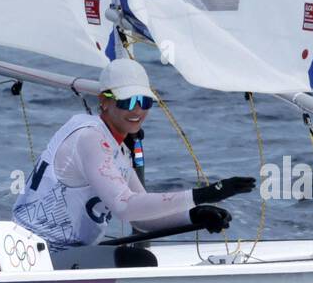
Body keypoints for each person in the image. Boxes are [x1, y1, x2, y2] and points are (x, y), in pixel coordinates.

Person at [13, 58, 255, 263]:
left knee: (137, 259)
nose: (137, 111)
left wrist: (194, 215)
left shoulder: (114, 147)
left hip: (60, 253)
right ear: (104, 101)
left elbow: (142, 220)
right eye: (127, 101)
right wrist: (202, 195)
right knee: (140, 261)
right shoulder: (90, 138)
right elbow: (125, 206)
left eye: (144, 101)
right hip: (33, 257)